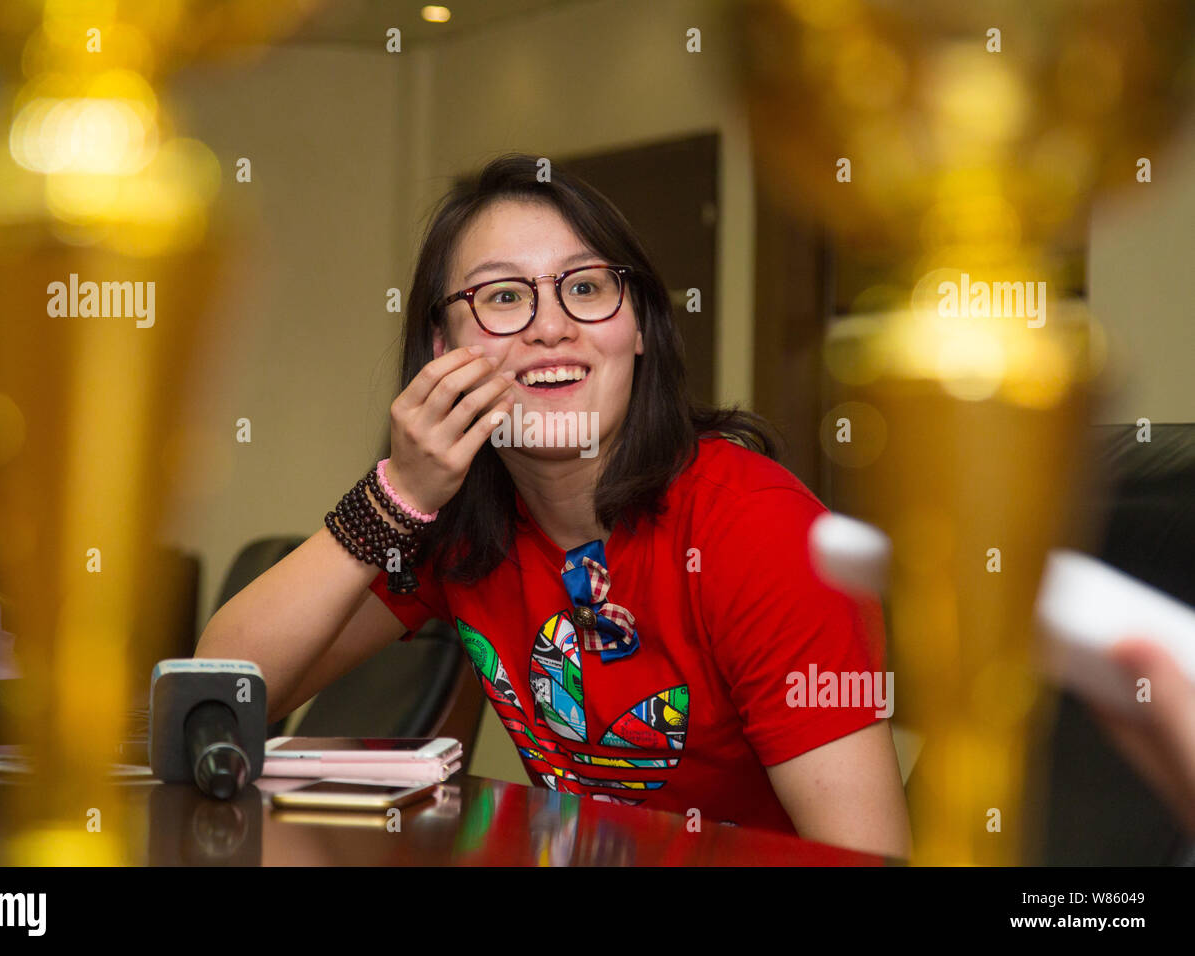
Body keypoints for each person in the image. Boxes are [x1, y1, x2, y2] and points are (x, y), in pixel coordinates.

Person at [197, 154, 911, 858]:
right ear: (443, 348)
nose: (549, 327)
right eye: (504, 297)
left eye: (586, 287)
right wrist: (398, 496)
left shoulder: (765, 532)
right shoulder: (455, 523)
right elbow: (219, 694)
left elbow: (866, 857)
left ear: (637, 328)